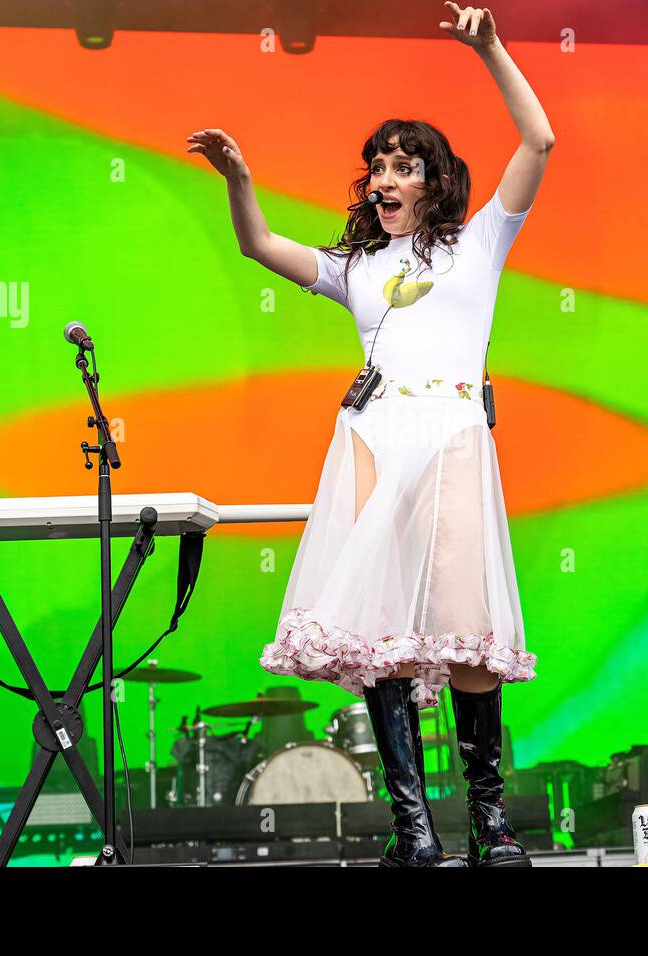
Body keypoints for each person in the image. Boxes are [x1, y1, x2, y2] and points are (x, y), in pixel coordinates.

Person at [188, 3, 553, 867]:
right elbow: (258, 244)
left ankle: (490, 824)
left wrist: (491, 49)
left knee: (467, 633)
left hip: (452, 434)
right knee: (383, 639)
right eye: (377, 167)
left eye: (403, 165)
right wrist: (240, 177)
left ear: (434, 180)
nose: (384, 178)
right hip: (374, 438)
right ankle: (414, 831)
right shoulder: (355, 267)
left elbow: (538, 141)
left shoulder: (478, 243)